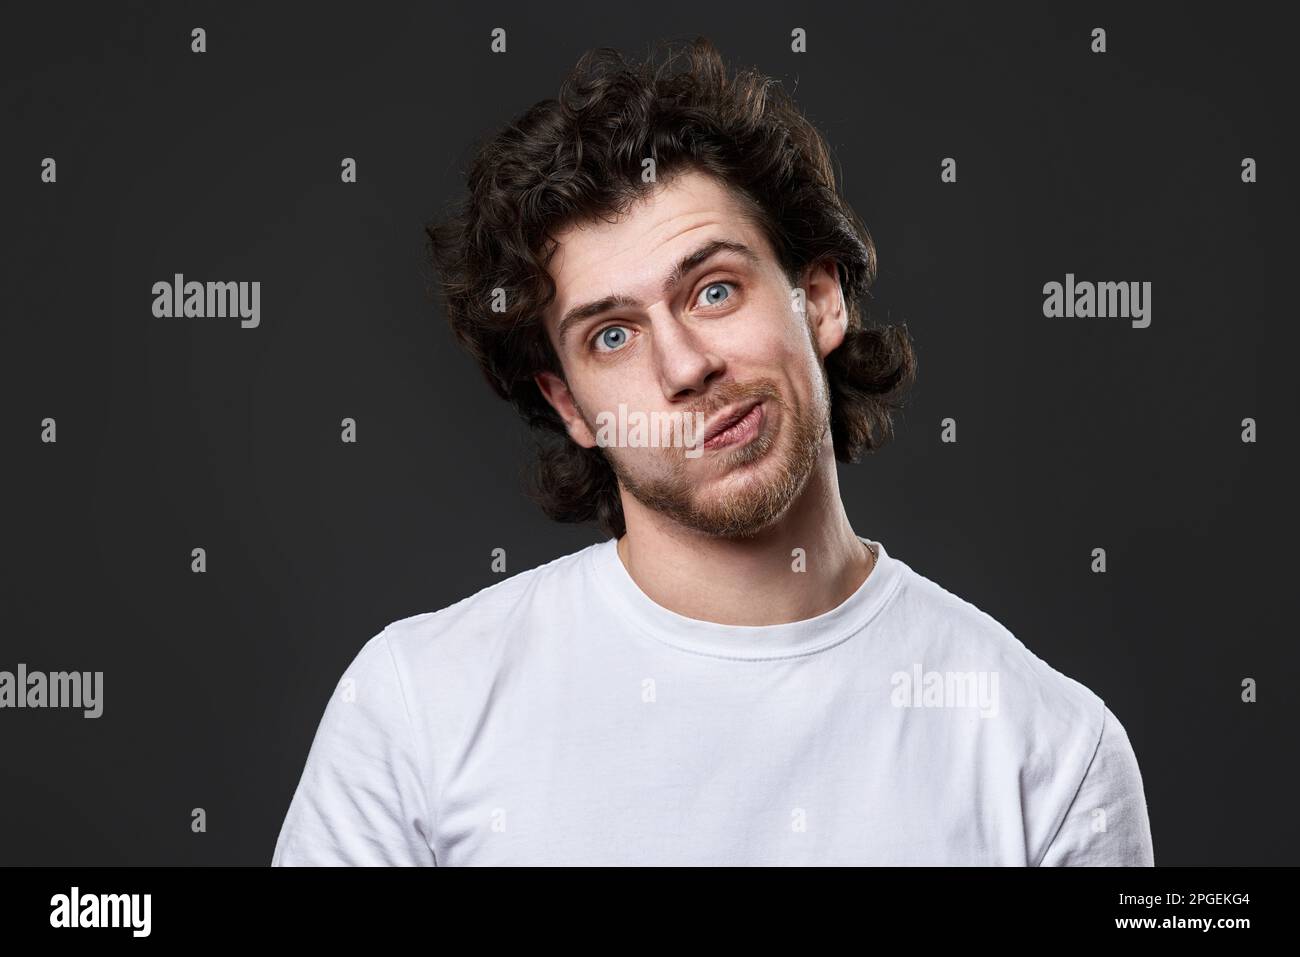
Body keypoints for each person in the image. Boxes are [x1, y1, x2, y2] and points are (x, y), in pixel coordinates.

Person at [272, 36, 1154, 866]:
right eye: (612, 337)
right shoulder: (415, 708)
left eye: (715, 289)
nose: (686, 366)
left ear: (819, 299)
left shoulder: (1052, 755)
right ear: (568, 404)